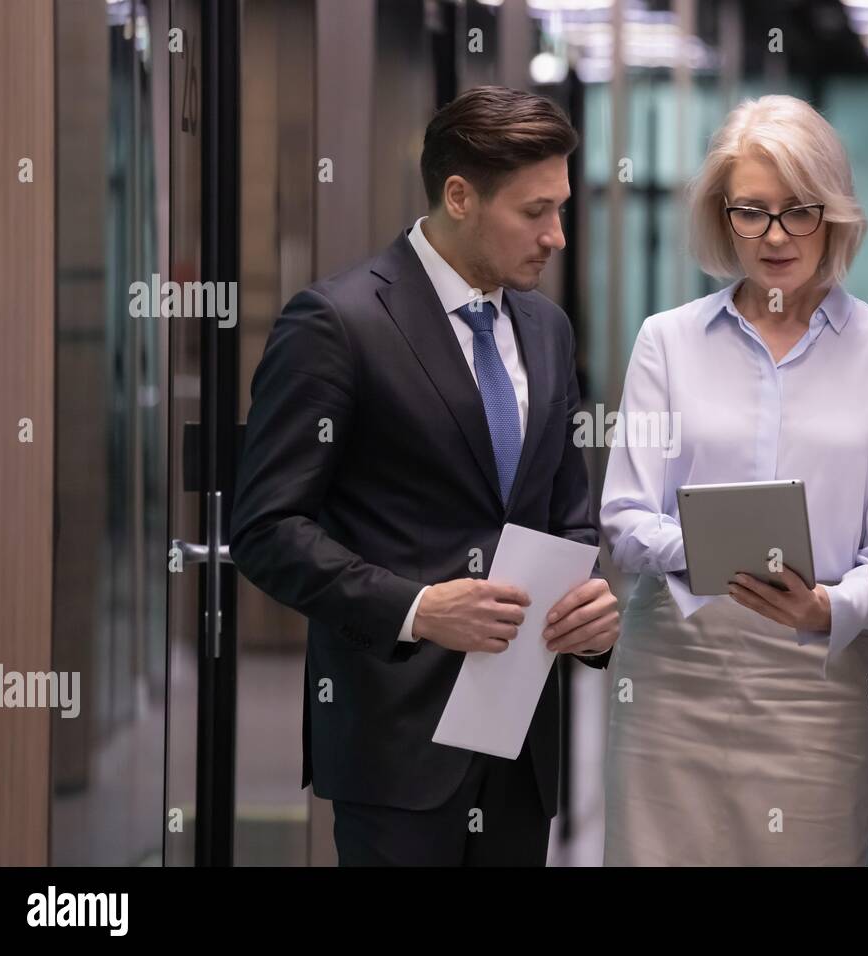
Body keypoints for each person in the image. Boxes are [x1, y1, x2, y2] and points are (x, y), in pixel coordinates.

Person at [230, 86, 619, 866]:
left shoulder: (546, 327)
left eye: (561, 208)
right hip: (394, 738)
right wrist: (414, 608)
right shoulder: (338, 323)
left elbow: (564, 509)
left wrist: (589, 605)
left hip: (521, 739)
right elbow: (266, 529)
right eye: (535, 211)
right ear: (459, 196)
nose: (558, 236)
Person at [599, 95, 868, 865]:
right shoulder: (666, 343)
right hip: (674, 673)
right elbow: (622, 516)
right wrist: (716, 549)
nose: (775, 236)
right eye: (751, 211)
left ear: (835, 215)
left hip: (815, 680)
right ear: (723, 215)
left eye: (798, 211)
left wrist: (826, 606)